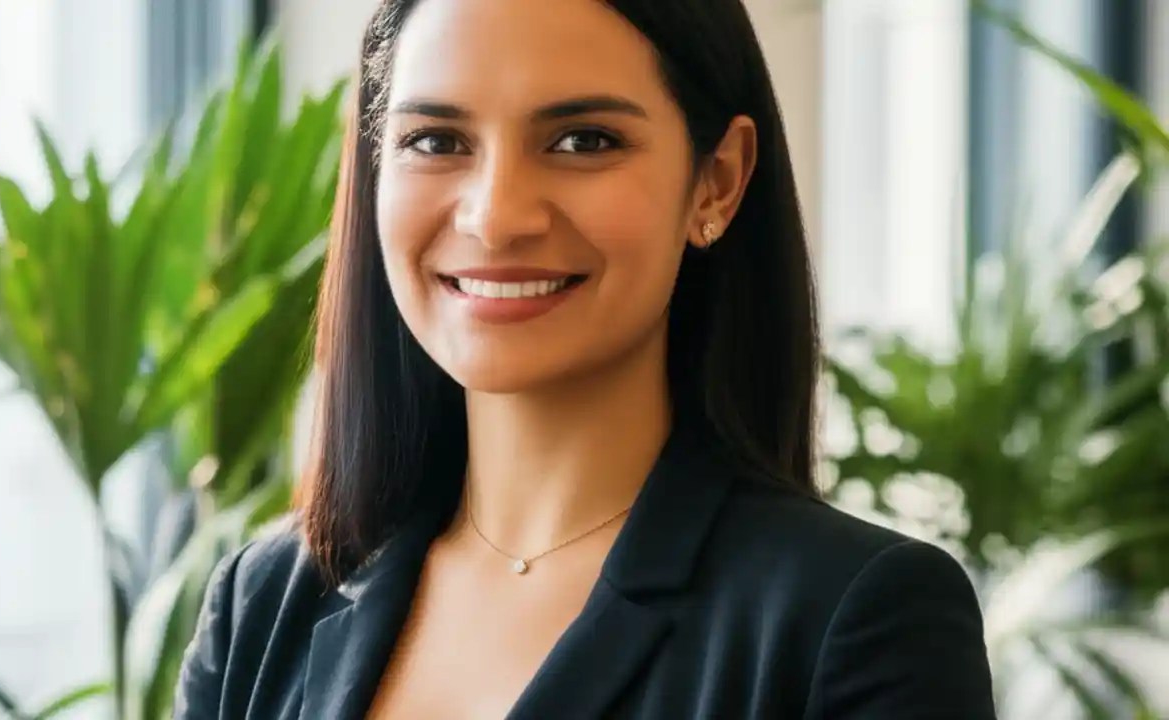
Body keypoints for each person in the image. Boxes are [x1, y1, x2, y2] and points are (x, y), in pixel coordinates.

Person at [173, 0, 997, 717]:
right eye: (436, 140)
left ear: (716, 181)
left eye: (582, 140)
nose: (496, 217)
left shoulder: (851, 617)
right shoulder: (262, 604)